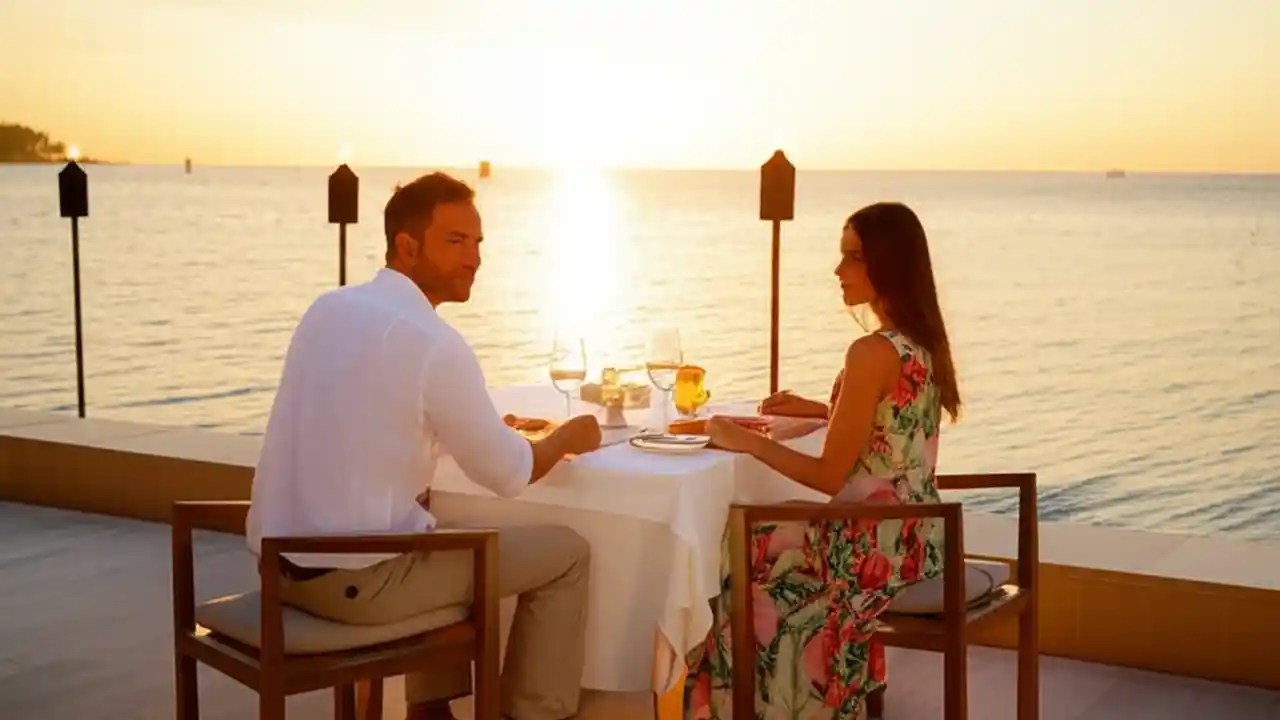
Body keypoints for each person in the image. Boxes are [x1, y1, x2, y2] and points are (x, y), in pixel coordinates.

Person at [246, 172, 602, 720]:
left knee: (433, 527)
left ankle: (429, 712)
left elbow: (366, 422)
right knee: (566, 552)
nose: (474, 258)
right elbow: (508, 473)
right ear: (407, 247)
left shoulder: (328, 310)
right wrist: (572, 434)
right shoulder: (435, 343)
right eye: (455, 241)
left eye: (479, 242)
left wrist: (464, 424)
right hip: (355, 582)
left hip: (279, 569)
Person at [686, 202, 962, 719]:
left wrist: (744, 440)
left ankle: (747, 707)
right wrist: (824, 408)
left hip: (867, 543)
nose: (838, 271)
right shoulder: (921, 345)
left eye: (852, 257)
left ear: (887, 264)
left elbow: (827, 476)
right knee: (753, 545)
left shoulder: (868, 352)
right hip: (918, 538)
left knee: (733, 550)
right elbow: (893, 420)